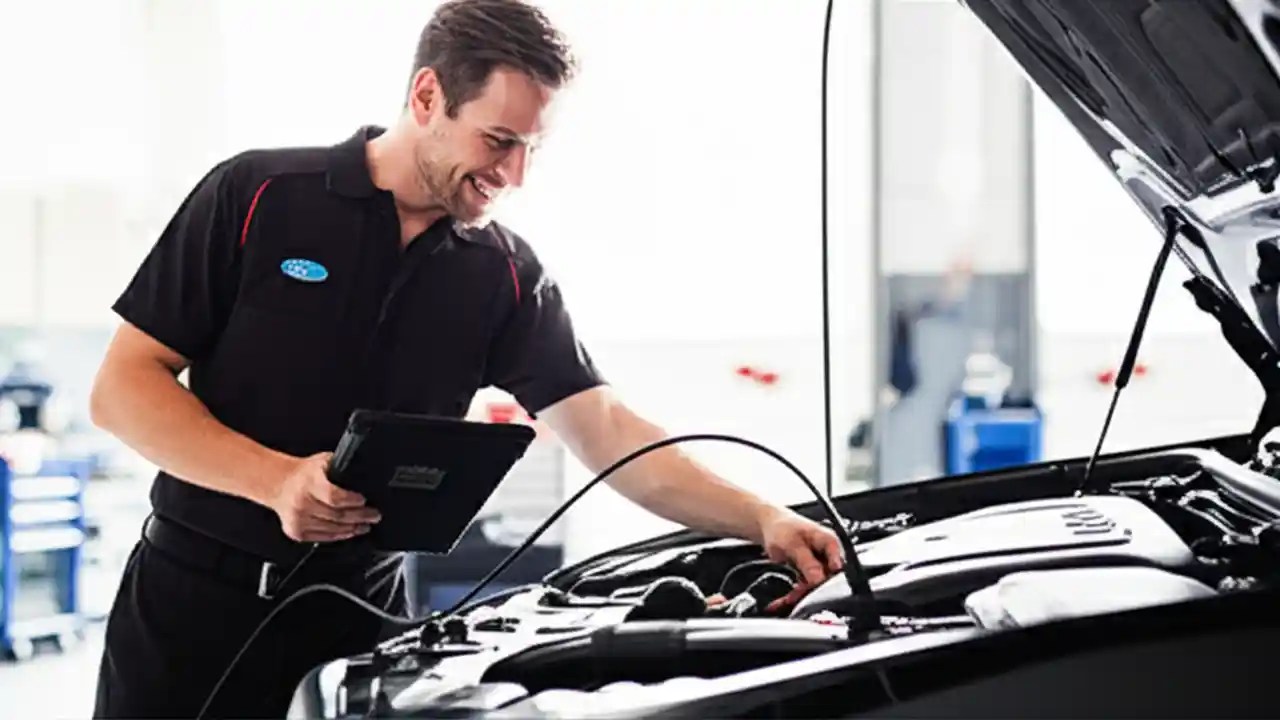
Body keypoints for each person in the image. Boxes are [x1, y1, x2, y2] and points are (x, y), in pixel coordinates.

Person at [89, 0, 845, 717]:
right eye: (499, 141)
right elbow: (122, 389)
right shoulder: (257, 196)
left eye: (532, 149)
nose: (515, 176)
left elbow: (608, 431)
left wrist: (763, 518)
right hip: (190, 610)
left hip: (363, 620)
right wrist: (277, 482)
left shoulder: (504, 275)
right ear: (427, 97)